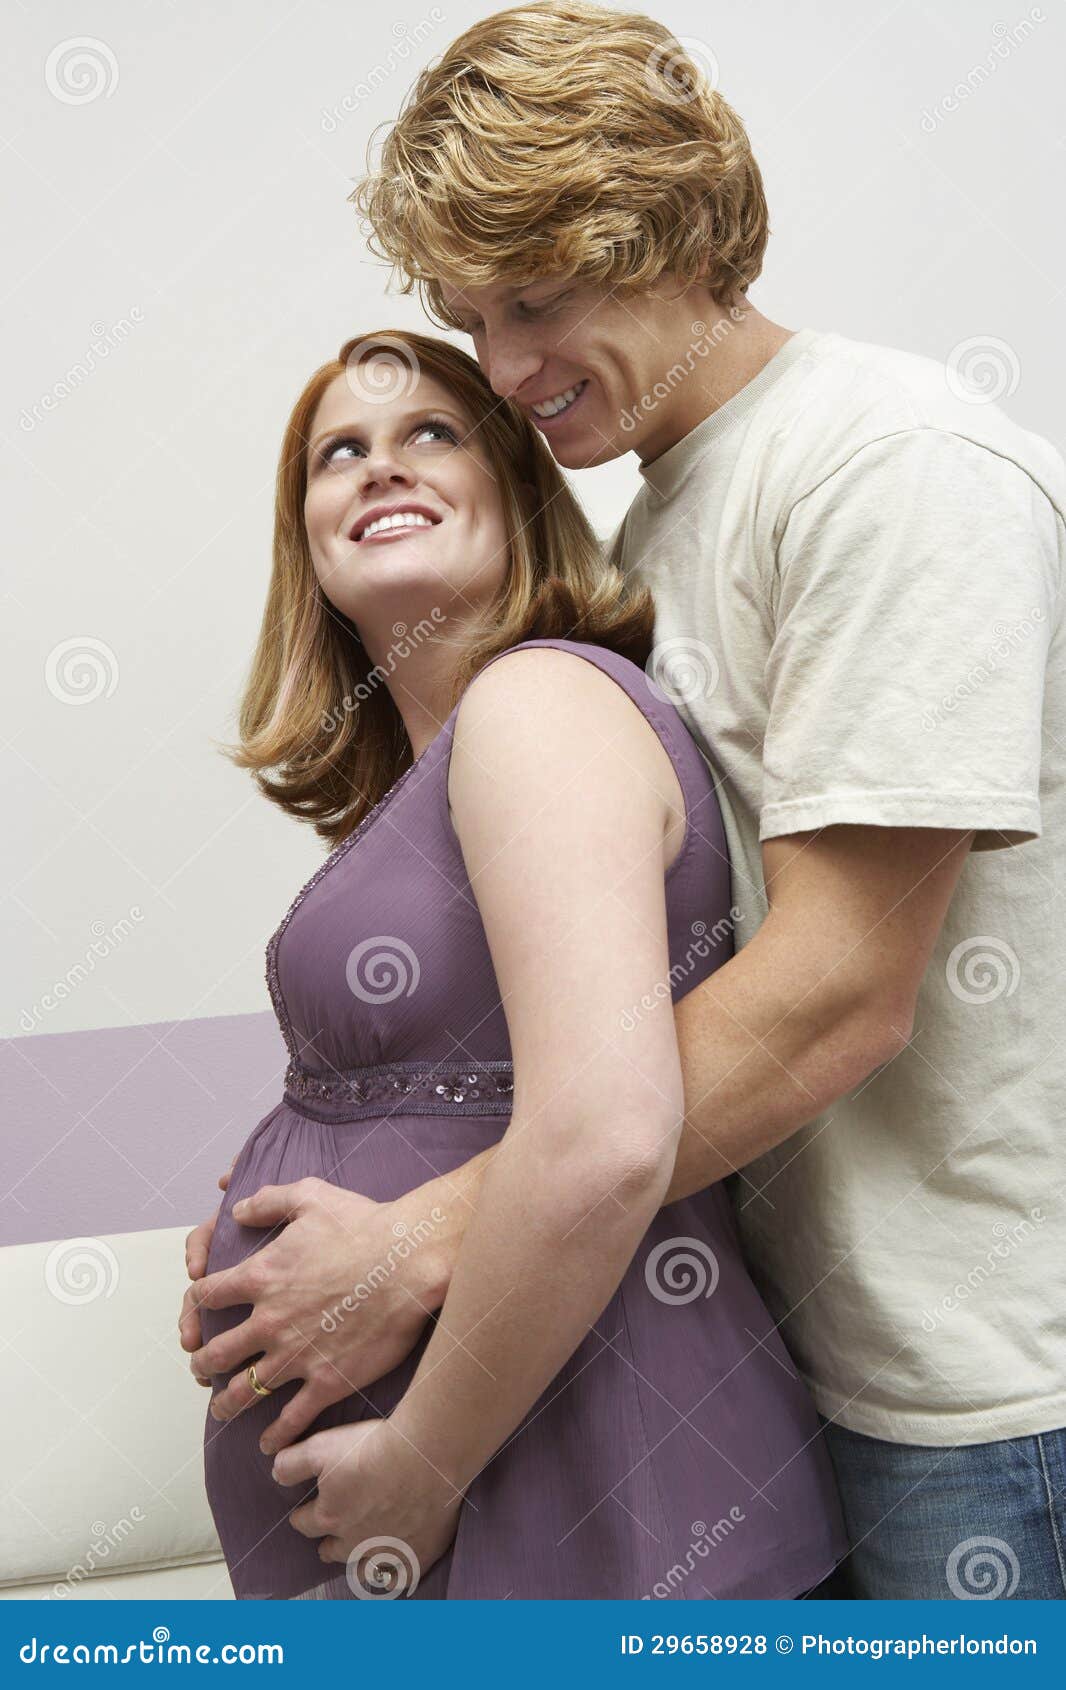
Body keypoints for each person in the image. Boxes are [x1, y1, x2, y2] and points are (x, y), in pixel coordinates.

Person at [184, 2, 1066, 1599]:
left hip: (967, 1396)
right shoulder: (651, 532)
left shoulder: (892, 469)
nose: (508, 366)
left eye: (537, 298)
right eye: (469, 310)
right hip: (787, 1351)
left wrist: (417, 1239)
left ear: (674, 233)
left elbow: (838, 995)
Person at [190, 326, 847, 1600]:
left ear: (517, 485)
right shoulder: (432, 777)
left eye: (429, 432)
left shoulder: (535, 706)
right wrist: (266, 1230)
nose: (382, 467)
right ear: (308, 545)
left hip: (577, 1471)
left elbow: (601, 1136)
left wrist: (421, 1467)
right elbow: (461, 1081)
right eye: (342, 452)